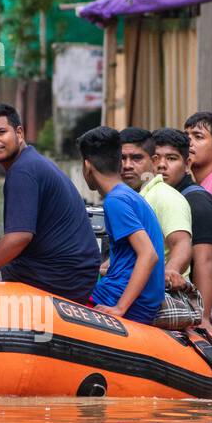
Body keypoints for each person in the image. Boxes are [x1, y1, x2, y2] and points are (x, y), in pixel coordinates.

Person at [0, 103, 100, 303]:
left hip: (62, 277)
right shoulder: (31, 162)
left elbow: (19, 237)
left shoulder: (23, 171)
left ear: (19, 133)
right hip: (73, 274)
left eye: (0, 132)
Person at [78, 127, 163, 323]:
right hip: (142, 301)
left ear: (87, 166)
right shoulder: (129, 195)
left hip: (124, 301)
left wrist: (119, 308)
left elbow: (148, 255)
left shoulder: (115, 201)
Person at [151, 127, 212, 331]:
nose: (161, 165)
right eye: (156, 158)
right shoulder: (161, 195)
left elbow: (205, 262)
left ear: (187, 164)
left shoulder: (197, 202)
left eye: (171, 158)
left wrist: (202, 319)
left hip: (205, 303)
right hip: (174, 290)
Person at [119, 127, 192, 289]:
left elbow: (181, 244)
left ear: (152, 162)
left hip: (160, 298)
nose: (127, 165)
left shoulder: (165, 196)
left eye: (136, 158)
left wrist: (169, 273)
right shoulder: (132, 198)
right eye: (122, 158)